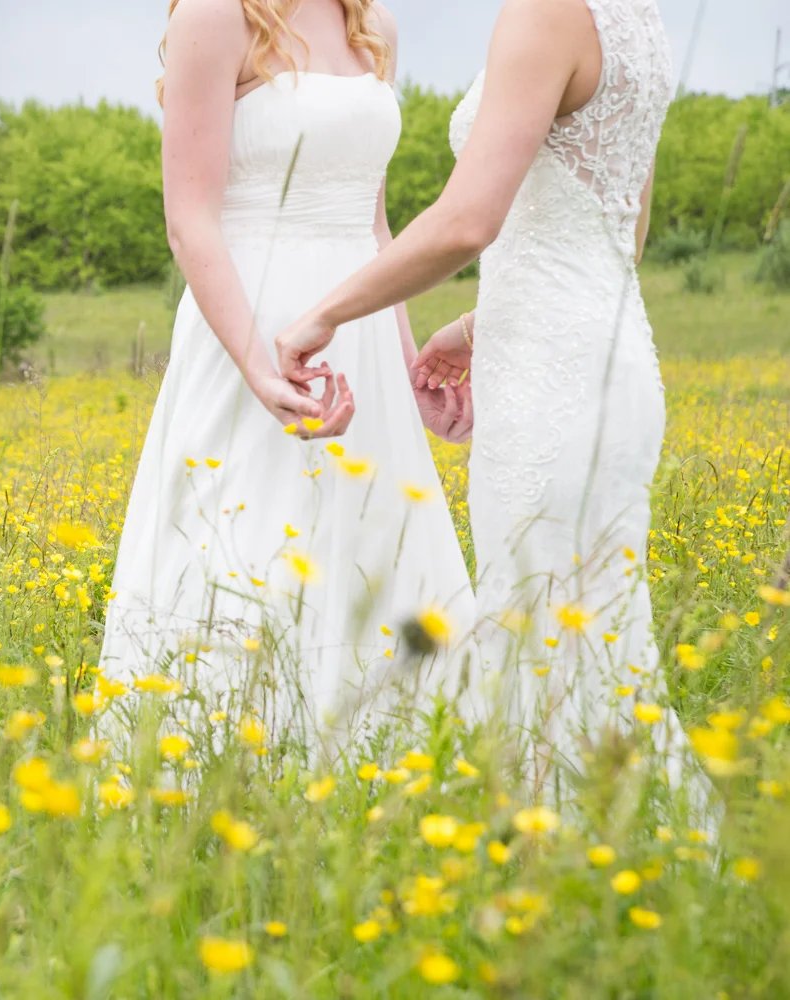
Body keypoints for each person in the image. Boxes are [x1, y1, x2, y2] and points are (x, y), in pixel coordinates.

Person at [272, 0, 682, 787]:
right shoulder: (639, 17)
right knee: (605, 651)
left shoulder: (545, 12)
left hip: (551, 379)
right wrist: (477, 326)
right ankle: (630, 861)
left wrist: (325, 312)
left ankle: (555, 868)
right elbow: (622, 234)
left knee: (542, 650)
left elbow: (466, 222)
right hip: (617, 360)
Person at [99, 0, 476, 754]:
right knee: (248, 549)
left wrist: (409, 373)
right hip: (252, 323)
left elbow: (374, 227)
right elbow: (190, 220)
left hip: (358, 327)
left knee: (371, 545)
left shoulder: (375, 26)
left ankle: (379, 768)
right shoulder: (213, 17)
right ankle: (221, 770)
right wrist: (255, 363)